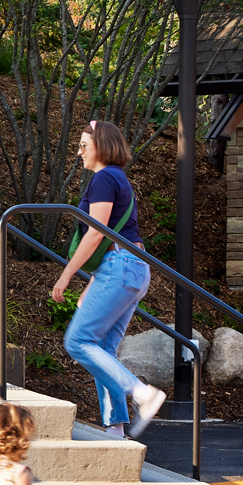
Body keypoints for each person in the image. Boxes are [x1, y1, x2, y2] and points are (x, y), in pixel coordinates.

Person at [51, 118, 169, 441]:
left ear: (100, 146)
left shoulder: (104, 179)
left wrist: (66, 275)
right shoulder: (118, 179)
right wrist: (93, 283)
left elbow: (96, 234)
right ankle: (116, 429)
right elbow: (115, 237)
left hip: (121, 267)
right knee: (103, 345)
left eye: (83, 146)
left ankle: (141, 393)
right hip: (132, 269)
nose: (78, 153)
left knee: (77, 341)